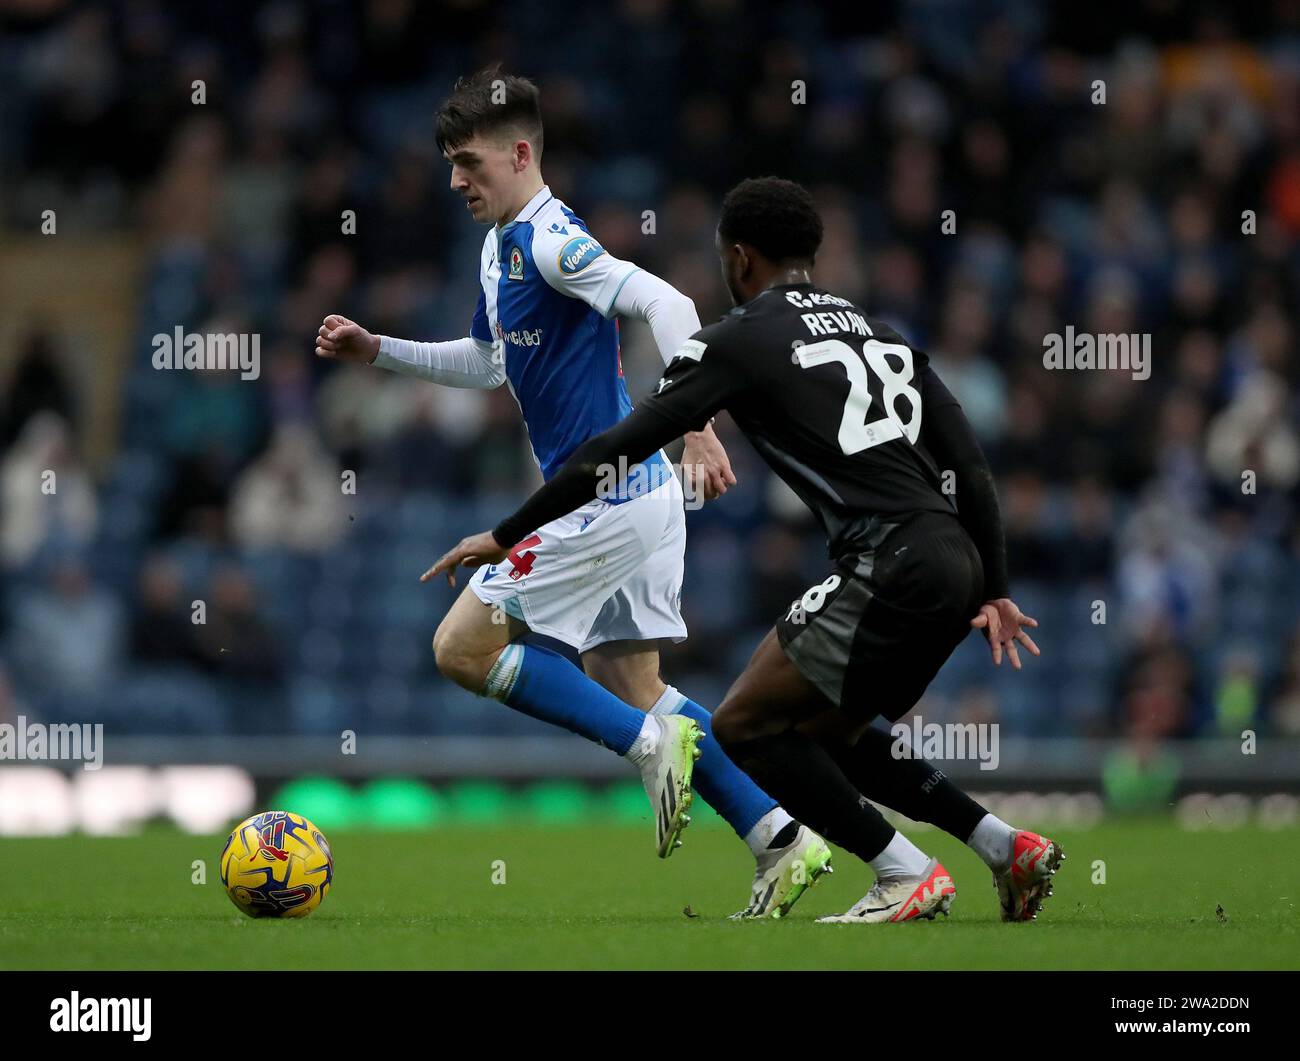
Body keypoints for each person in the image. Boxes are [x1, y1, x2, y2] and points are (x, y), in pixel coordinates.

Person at [428, 176, 1064, 923]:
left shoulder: (741, 336)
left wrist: (507, 531)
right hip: (956, 561)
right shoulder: (877, 331)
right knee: (832, 734)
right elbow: (972, 465)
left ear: (738, 258)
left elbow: (620, 446)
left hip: (888, 559)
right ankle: (1001, 845)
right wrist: (994, 584)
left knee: (740, 726)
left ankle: (906, 871)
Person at [316, 71, 829, 919]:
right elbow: (488, 362)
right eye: (448, 164)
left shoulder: (554, 240)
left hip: (607, 494)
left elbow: (663, 299)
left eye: (469, 163)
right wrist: (382, 350)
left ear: (521, 153)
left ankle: (646, 747)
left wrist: (699, 416)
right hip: (633, 494)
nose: (455, 181)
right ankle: (781, 835)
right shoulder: (499, 246)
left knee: (460, 648)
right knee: (633, 683)